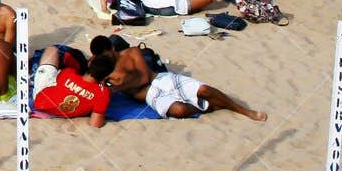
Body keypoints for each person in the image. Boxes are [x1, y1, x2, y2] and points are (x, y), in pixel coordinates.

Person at [94, 45, 267, 121]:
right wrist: (121, 85)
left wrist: (121, 85)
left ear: (111, 49)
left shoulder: (131, 53)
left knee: (204, 89)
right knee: (179, 110)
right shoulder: (103, 71)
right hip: (148, 94)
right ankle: (212, 107)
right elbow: (106, 92)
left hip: (158, 79)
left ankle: (243, 110)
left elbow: (145, 77)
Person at [31, 45, 109, 127]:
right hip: (62, 111)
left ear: (89, 63)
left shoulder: (69, 72)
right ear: (106, 76)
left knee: (52, 50)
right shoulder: (102, 94)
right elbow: (95, 124)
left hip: (40, 100)